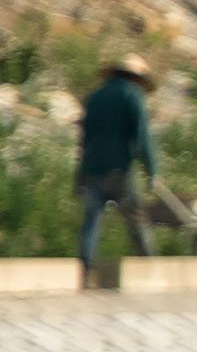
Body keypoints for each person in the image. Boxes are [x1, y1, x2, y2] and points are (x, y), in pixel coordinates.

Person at [71, 53, 168, 276]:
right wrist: (152, 171)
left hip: (91, 168)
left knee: (92, 220)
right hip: (119, 170)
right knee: (136, 219)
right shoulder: (132, 96)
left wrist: (79, 173)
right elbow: (142, 136)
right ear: (137, 78)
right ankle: (149, 265)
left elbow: (84, 138)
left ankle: (85, 268)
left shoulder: (95, 97)